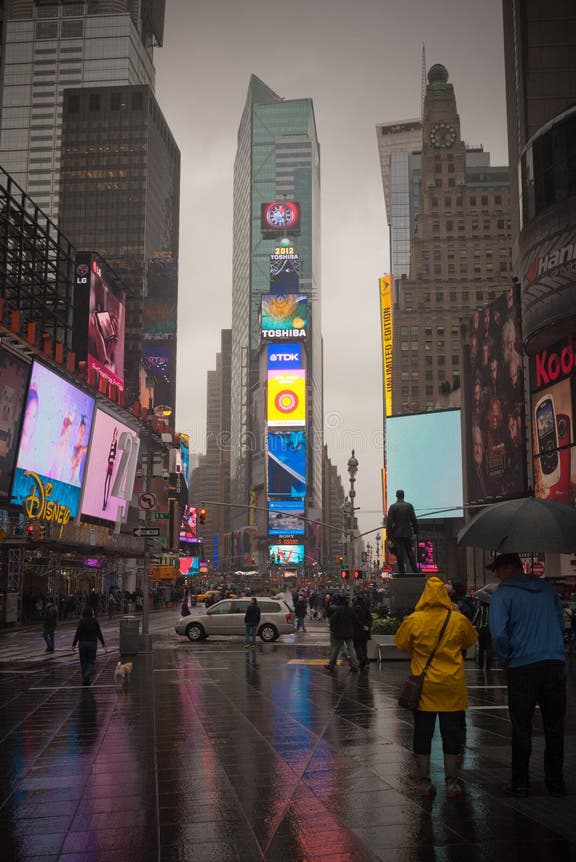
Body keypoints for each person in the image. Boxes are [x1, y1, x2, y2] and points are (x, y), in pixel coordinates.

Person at [488, 552, 567, 797]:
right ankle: (555, 782)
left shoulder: (503, 593)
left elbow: (498, 634)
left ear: (508, 568)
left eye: (497, 570)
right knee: (555, 727)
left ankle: (520, 782)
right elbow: (561, 622)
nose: (496, 575)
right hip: (554, 662)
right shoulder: (546, 589)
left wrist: (505, 657)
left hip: (522, 666)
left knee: (522, 726)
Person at [394, 577, 477, 799]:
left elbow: (401, 644)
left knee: (422, 734)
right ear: (444, 595)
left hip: (424, 689)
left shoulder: (414, 620)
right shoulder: (457, 620)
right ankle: (451, 784)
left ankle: (424, 783)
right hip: (452, 687)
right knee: (452, 735)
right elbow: (470, 641)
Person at [386, 489, 418, 575]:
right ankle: (416, 570)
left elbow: (389, 523)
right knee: (410, 552)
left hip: (397, 534)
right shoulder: (409, 506)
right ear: (403, 496)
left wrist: (389, 537)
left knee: (399, 554)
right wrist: (416, 532)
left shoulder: (393, 507)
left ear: (396, 496)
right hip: (407, 533)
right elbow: (414, 520)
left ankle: (402, 572)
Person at [325, 595, 359, 673]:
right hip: (349, 632)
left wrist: (332, 627)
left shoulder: (338, 610)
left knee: (336, 649)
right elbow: (356, 620)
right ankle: (355, 665)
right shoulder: (351, 610)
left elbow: (333, 620)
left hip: (339, 632)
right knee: (351, 648)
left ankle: (331, 664)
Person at [72, 608, 106, 686]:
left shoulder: (81, 621)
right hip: (92, 643)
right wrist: (103, 643)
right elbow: (99, 633)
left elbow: (78, 633)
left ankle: (85, 678)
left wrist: (74, 644)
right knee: (90, 661)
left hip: (82, 644)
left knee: (83, 662)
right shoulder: (95, 621)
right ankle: (87, 675)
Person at [472, 599, 493, 670]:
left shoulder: (480, 608)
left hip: (481, 629)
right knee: (489, 648)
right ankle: (488, 666)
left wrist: (474, 624)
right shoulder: (492, 608)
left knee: (481, 647)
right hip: (489, 630)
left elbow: (475, 618)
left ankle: (481, 665)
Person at [352, 595, 372, 670]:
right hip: (365, 631)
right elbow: (370, 619)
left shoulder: (355, 608)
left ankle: (362, 659)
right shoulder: (366, 609)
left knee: (356, 645)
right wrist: (368, 627)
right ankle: (365, 660)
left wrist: (362, 626)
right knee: (364, 646)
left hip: (357, 630)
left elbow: (355, 620)